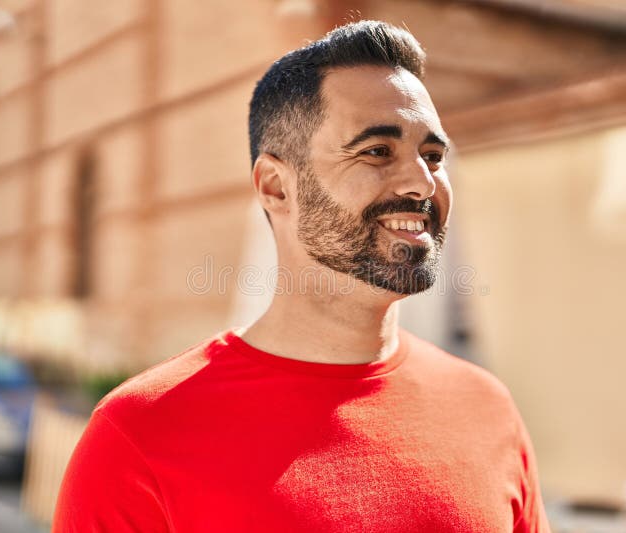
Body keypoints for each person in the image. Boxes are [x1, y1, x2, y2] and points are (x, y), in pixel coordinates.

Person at [53, 20, 551, 533]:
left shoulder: (488, 410)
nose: (423, 183)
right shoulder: (139, 437)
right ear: (275, 187)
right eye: (378, 151)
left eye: (433, 156)